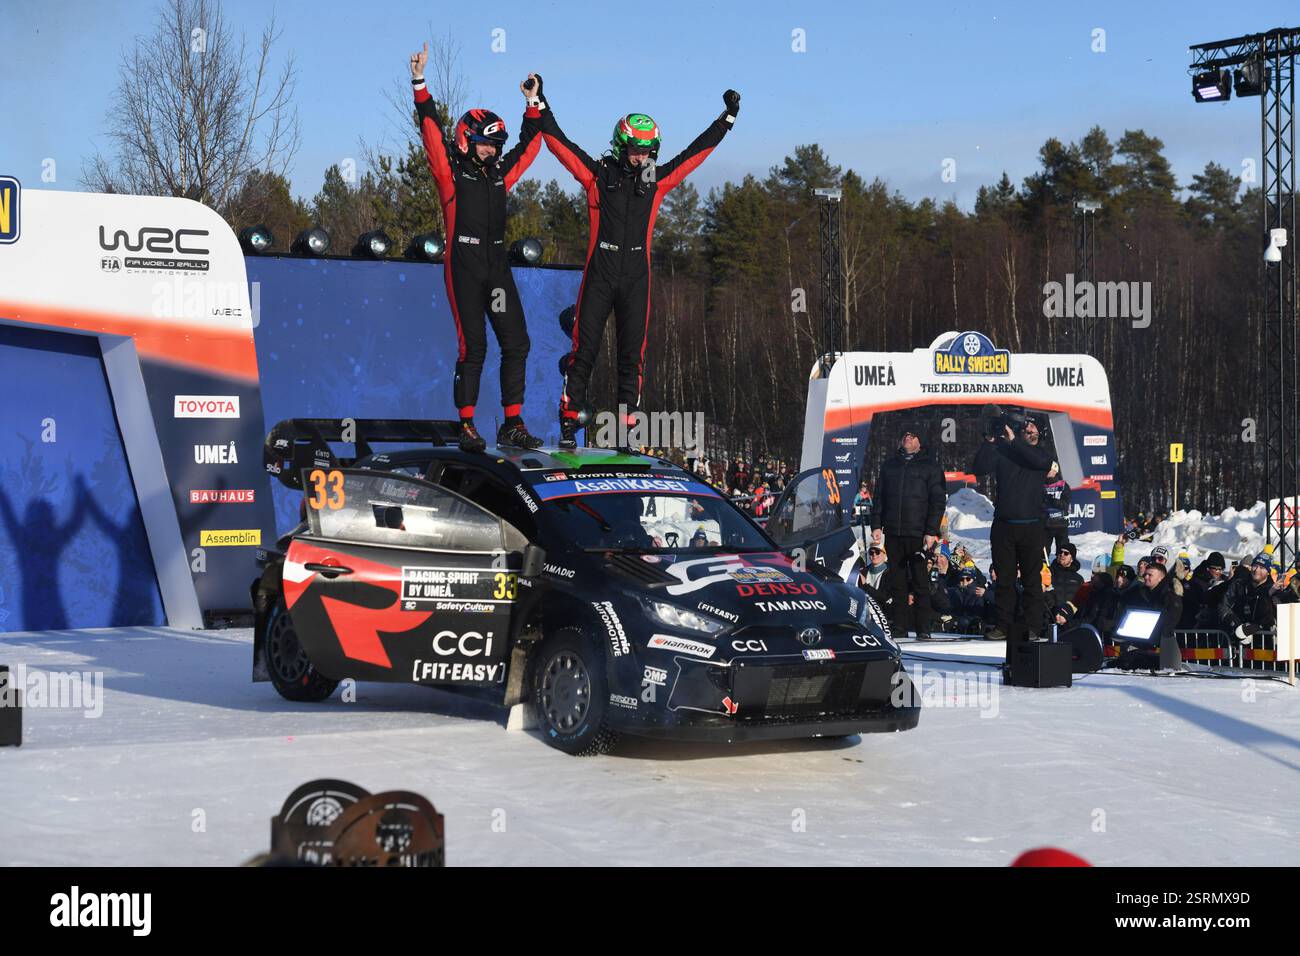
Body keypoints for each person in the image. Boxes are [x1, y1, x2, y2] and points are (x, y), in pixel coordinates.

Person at [538, 81, 741, 447]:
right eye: (635, 150)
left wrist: (726, 118)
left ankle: (625, 429)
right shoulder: (600, 175)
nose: (641, 158)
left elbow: (695, 155)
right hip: (600, 274)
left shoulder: (656, 181)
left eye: (649, 152)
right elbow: (560, 145)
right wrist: (538, 102)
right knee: (584, 350)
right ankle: (569, 421)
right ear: (621, 145)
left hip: (636, 278)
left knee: (632, 356)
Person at [410, 48, 545, 453]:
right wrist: (420, 83)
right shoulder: (450, 171)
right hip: (464, 265)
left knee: (517, 342)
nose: (493, 151)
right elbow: (431, 131)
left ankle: (512, 423)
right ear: (466, 140)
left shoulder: (500, 174)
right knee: (474, 346)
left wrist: (533, 102)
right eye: (487, 145)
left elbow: (531, 146)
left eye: (496, 145)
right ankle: (466, 424)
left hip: (496, 266)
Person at [971, 413, 1054, 651]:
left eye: (1034, 431)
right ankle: (1003, 625)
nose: (1030, 433)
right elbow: (979, 467)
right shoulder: (1004, 451)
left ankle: (1032, 626)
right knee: (1004, 580)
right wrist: (989, 440)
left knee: (1031, 579)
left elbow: (1038, 462)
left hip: (1032, 525)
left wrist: (1014, 440)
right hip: (1004, 525)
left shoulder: (1041, 454)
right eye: (1026, 430)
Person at [868, 424, 946, 640]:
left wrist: (931, 531)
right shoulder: (889, 466)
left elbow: (938, 502)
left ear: (919, 441)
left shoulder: (931, 467)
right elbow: (879, 499)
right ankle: (900, 627)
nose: (907, 439)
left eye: (911, 436)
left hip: (919, 534)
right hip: (894, 533)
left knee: (921, 582)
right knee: (898, 583)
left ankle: (923, 628)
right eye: (904, 435)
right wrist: (876, 525)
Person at [1112, 561, 1183, 669]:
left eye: (1150, 575)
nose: (1146, 577)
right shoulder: (1138, 593)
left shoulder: (1170, 597)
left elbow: (1171, 621)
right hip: (1136, 644)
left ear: (1160, 578)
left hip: (1162, 648)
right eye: (1145, 574)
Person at [1216, 552, 1277, 644]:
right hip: (1238, 640)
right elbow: (1224, 605)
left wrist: (1254, 627)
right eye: (1255, 566)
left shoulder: (1272, 589)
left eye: (1262, 568)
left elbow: (1272, 616)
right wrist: (1235, 624)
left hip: (1264, 643)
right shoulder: (1239, 584)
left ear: (1268, 572)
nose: (1257, 570)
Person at [1043, 462, 1072, 556]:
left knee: (1063, 550)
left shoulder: (1063, 485)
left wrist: (1054, 501)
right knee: (1043, 552)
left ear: (1055, 471)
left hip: (1061, 524)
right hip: (1046, 524)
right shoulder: (1040, 484)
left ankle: (1062, 569)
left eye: (1049, 470)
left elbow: (1066, 503)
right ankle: (1043, 568)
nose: (1047, 472)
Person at [1049, 542, 1084, 606]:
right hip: (1050, 612)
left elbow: (1081, 600)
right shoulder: (1049, 572)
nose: (1062, 554)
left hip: (1069, 614)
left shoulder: (1079, 579)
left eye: (1066, 553)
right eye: (1060, 552)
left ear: (1072, 559)